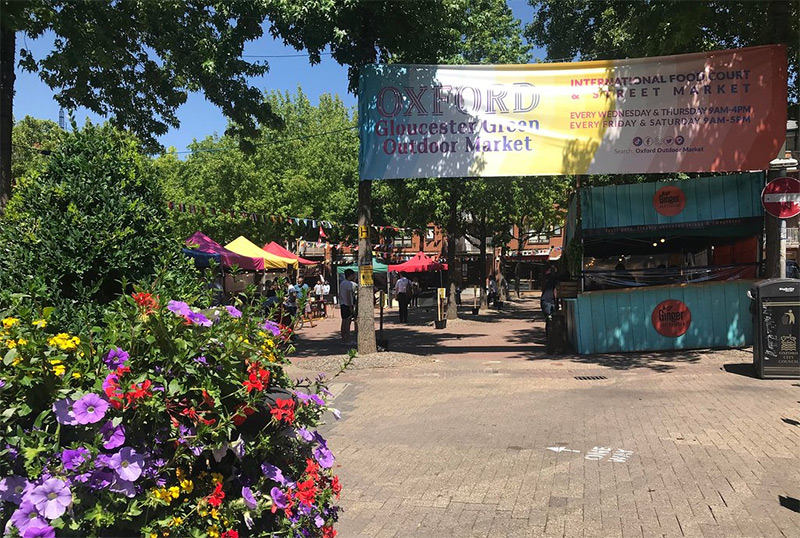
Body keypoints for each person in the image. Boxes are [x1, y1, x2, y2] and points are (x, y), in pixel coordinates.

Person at [339, 269, 357, 343]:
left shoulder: (342, 283)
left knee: (343, 322)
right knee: (347, 323)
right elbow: (348, 296)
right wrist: (350, 306)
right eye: (353, 275)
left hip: (342, 304)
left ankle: (343, 338)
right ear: (350, 275)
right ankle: (347, 339)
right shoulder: (349, 284)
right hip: (347, 304)